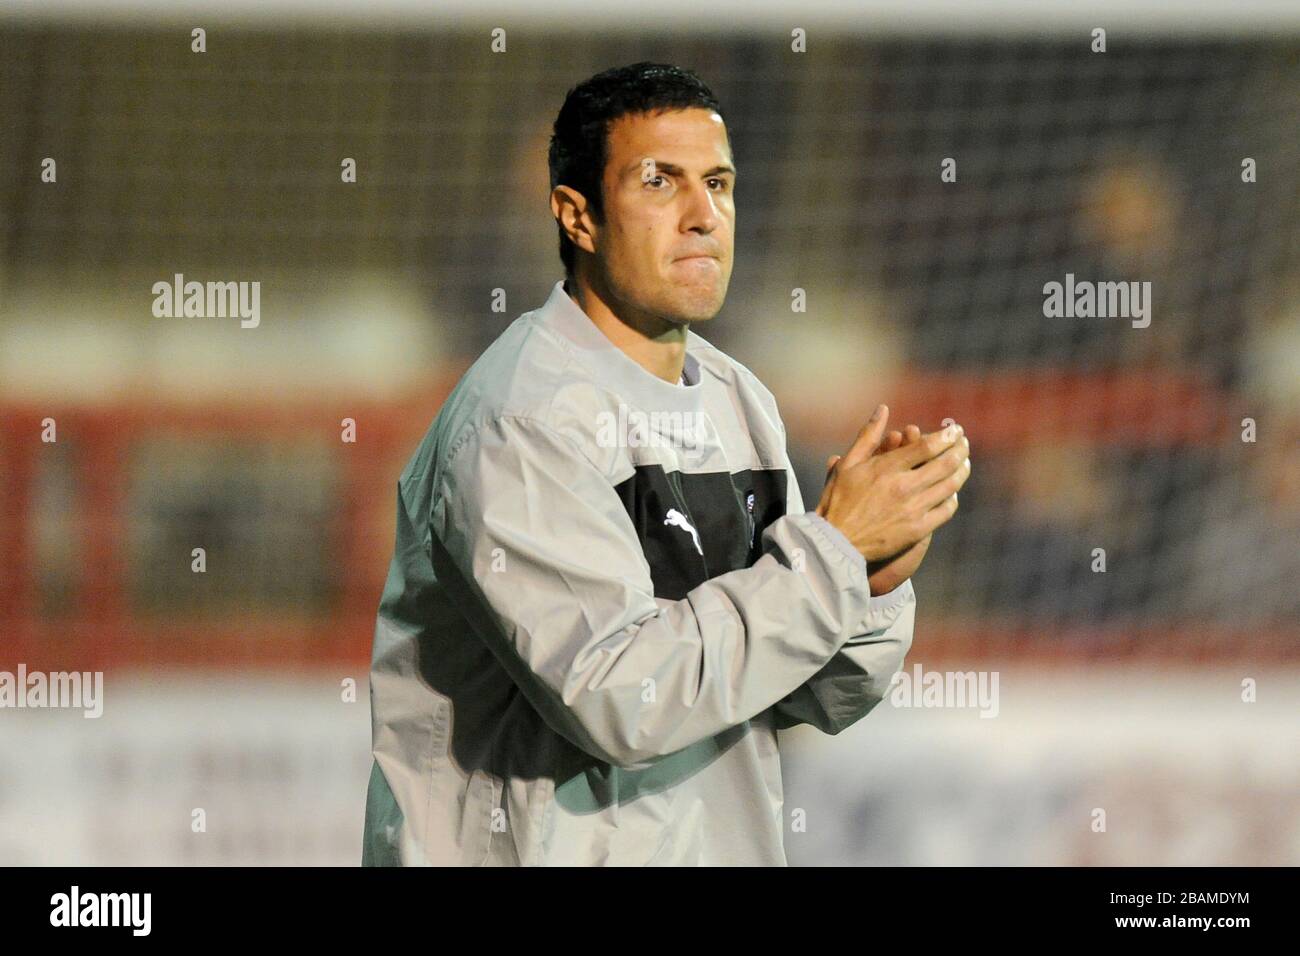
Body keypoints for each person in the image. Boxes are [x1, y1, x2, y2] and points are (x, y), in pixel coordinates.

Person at [362, 62, 971, 866]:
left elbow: (809, 695)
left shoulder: (737, 399)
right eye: (660, 183)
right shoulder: (521, 420)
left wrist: (871, 581)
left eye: (718, 184)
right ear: (577, 217)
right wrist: (832, 557)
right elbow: (620, 701)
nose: (702, 215)